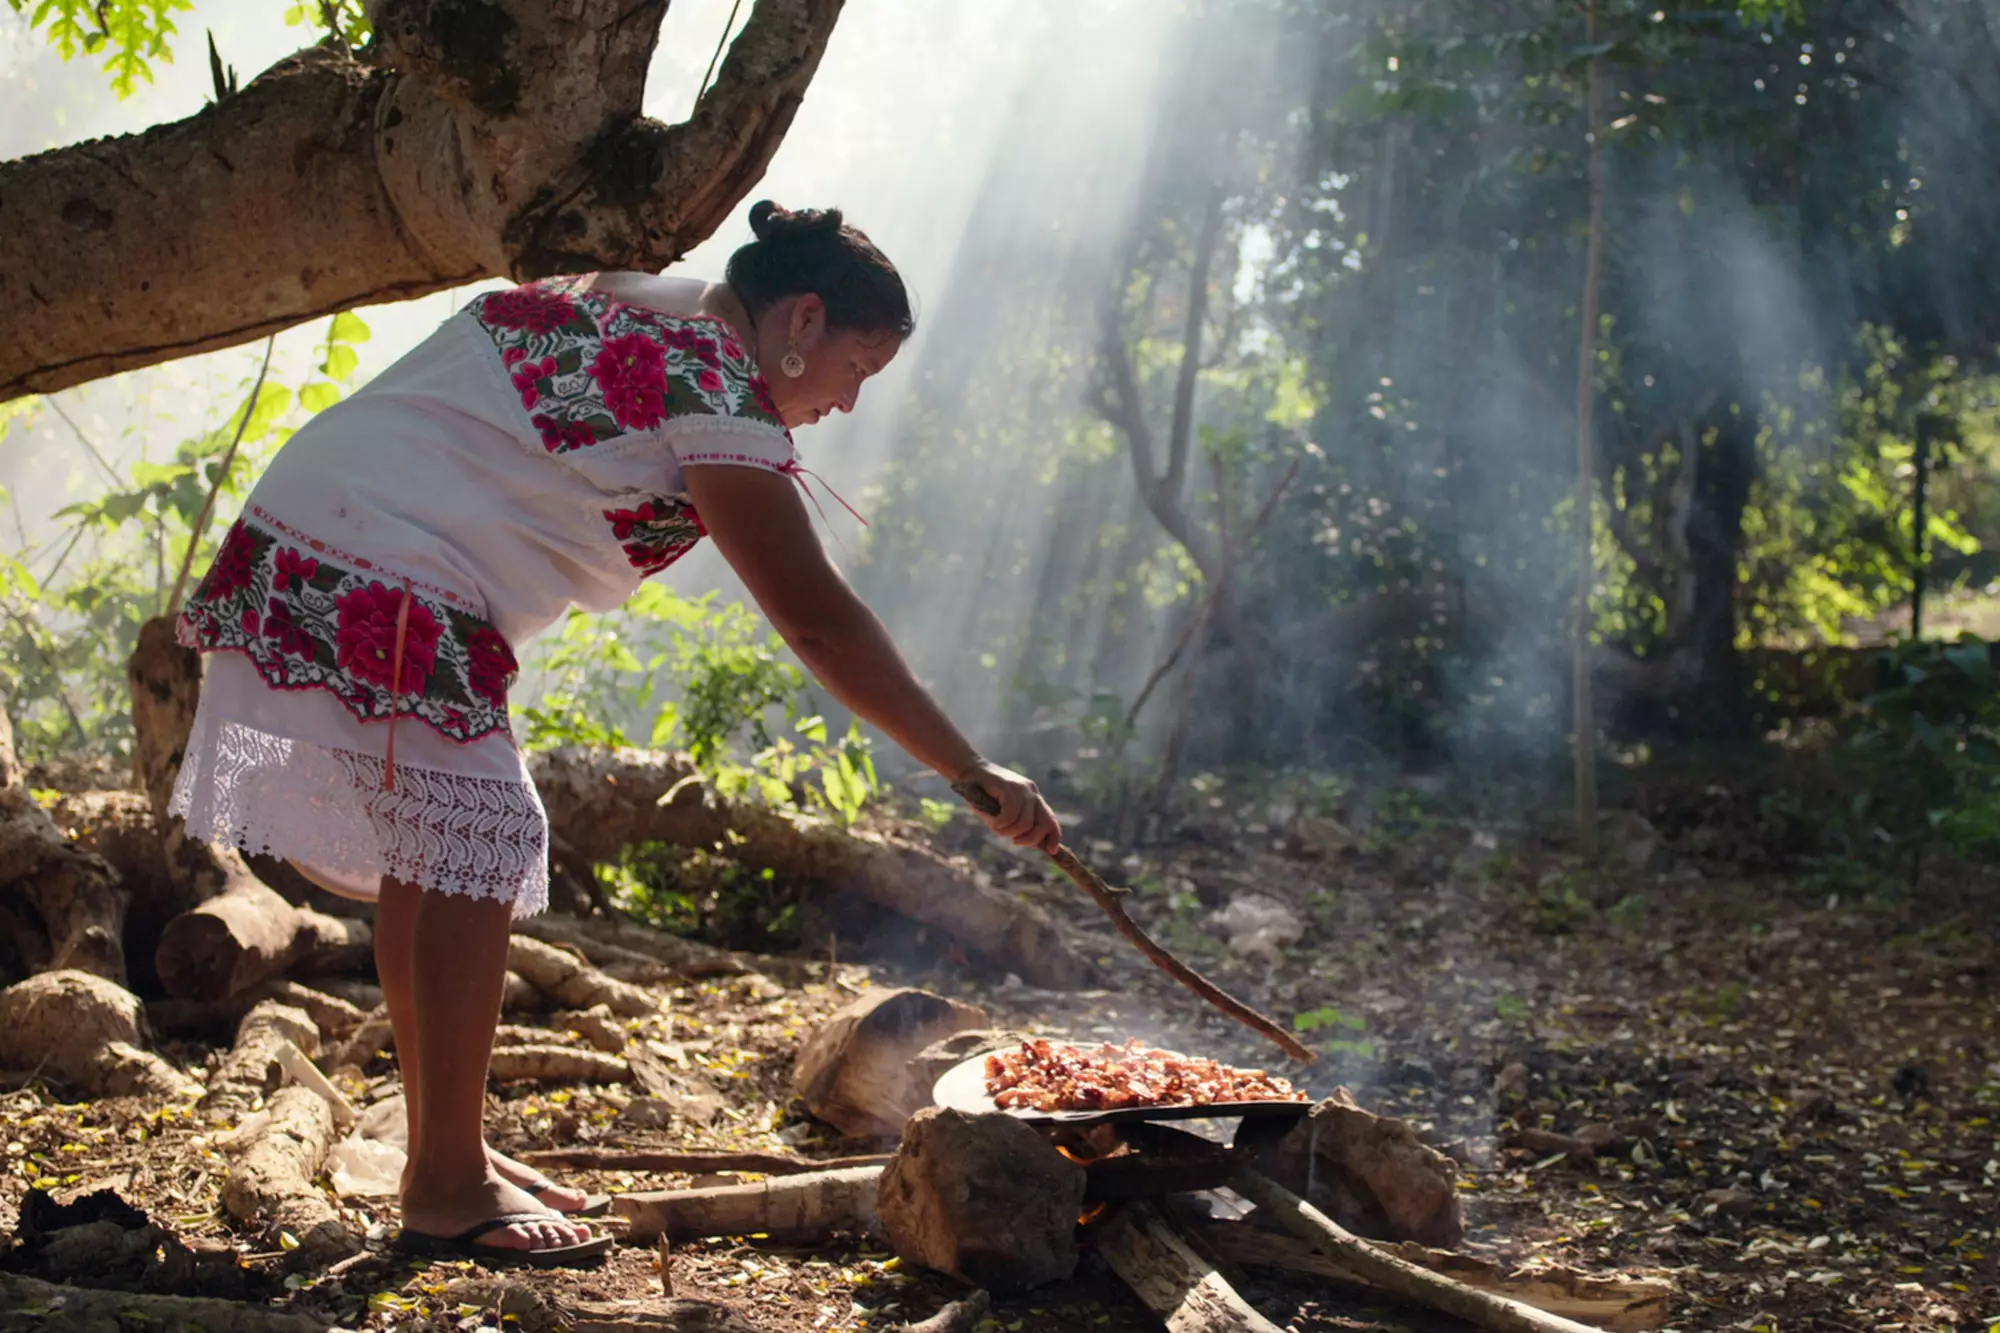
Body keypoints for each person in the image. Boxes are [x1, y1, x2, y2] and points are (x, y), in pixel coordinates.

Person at [170, 200, 1062, 1266]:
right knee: (480, 835)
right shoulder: (712, 383)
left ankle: (446, 1154)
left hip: (321, 529)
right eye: (854, 371)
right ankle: (446, 1183)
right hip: (380, 561)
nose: (843, 404)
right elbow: (816, 619)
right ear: (805, 318)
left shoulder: (644, 296)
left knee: (449, 840)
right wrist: (966, 766)